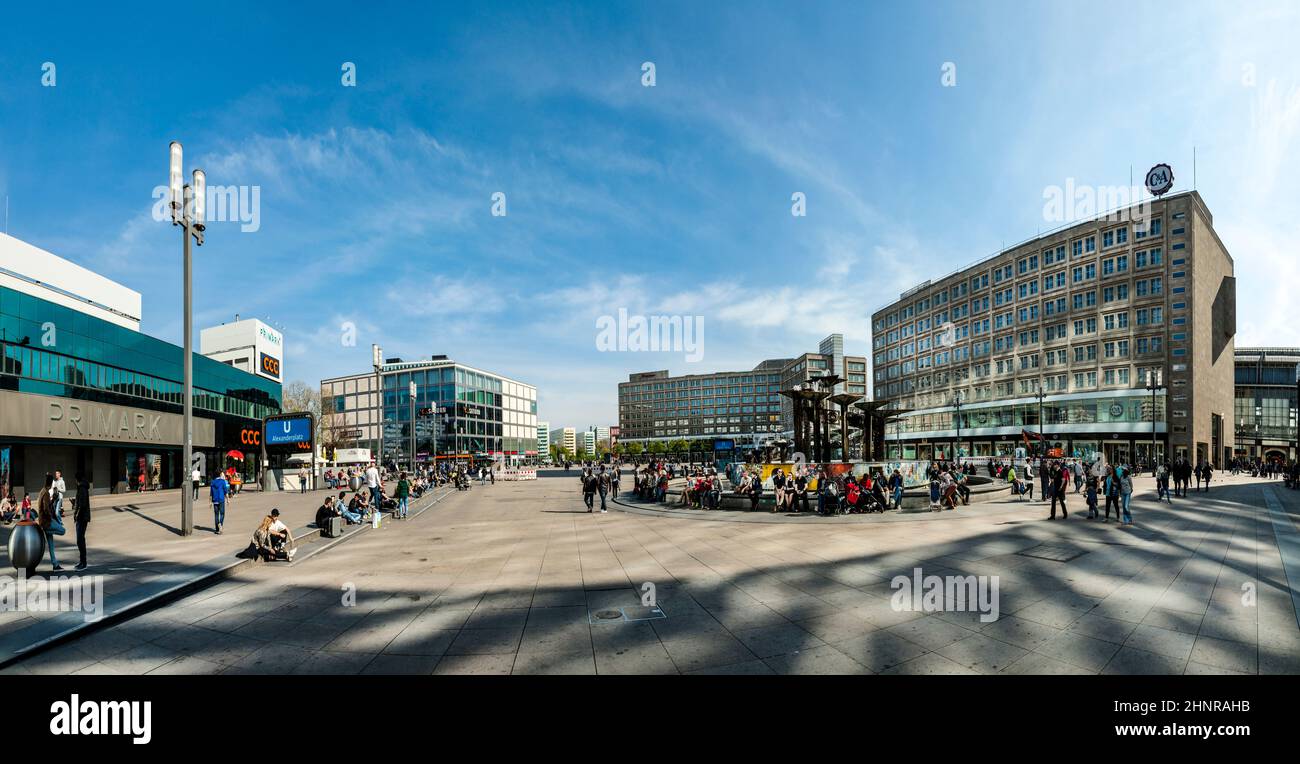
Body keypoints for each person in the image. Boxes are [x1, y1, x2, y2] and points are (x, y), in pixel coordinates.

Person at [37, 473, 65, 571]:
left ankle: (55, 564)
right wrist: (51, 519)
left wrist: (52, 501)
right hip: (46, 522)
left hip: (43, 521)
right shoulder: (46, 493)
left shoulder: (42, 491)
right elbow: (46, 509)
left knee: (51, 545)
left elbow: (46, 505)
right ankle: (48, 530)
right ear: (50, 483)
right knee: (63, 530)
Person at [74, 471, 91, 570]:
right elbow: (80, 502)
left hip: (82, 517)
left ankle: (83, 563)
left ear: (77, 479)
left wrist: (76, 514)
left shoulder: (82, 489)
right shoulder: (82, 488)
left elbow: (82, 504)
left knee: (80, 540)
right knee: (80, 540)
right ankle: (82, 561)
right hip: (82, 517)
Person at [209, 470, 230, 535]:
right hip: (221, 499)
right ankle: (220, 523)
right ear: (220, 475)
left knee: (216, 514)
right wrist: (228, 499)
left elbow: (211, 493)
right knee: (222, 513)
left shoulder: (212, 482)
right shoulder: (222, 481)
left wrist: (210, 502)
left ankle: (217, 529)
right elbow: (225, 491)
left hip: (215, 500)